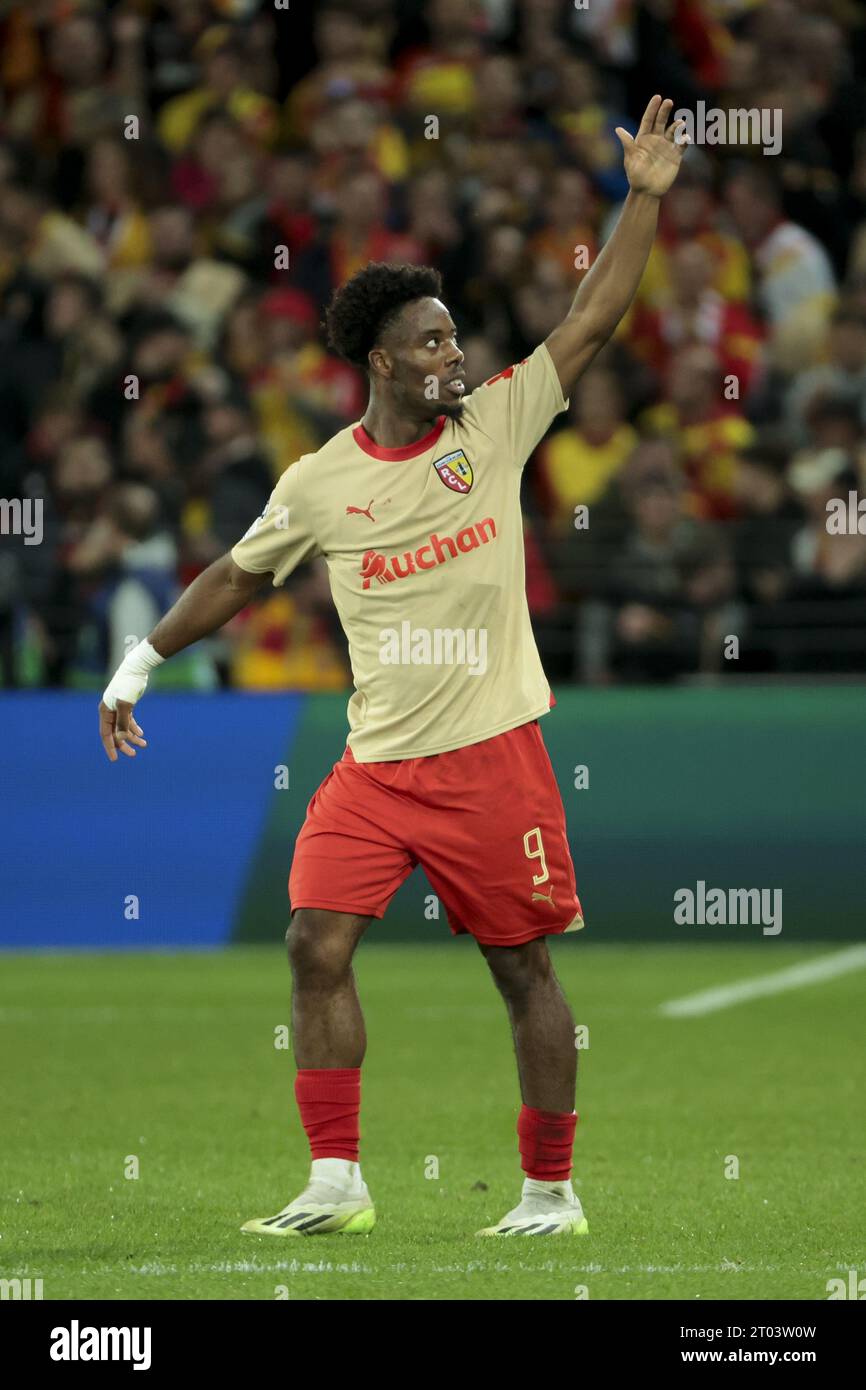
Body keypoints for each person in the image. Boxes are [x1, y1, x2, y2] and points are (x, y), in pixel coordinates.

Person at [97, 96, 688, 1239]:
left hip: (491, 756)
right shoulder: (320, 480)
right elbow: (234, 575)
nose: (453, 354)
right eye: (430, 341)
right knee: (313, 941)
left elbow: (591, 322)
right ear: (381, 359)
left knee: (523, 976)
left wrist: (643, 199)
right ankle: (335, 1183)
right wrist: (136, 660)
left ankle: (548, 1195)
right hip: (376, 767)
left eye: (455, 335)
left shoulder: (495, 424)